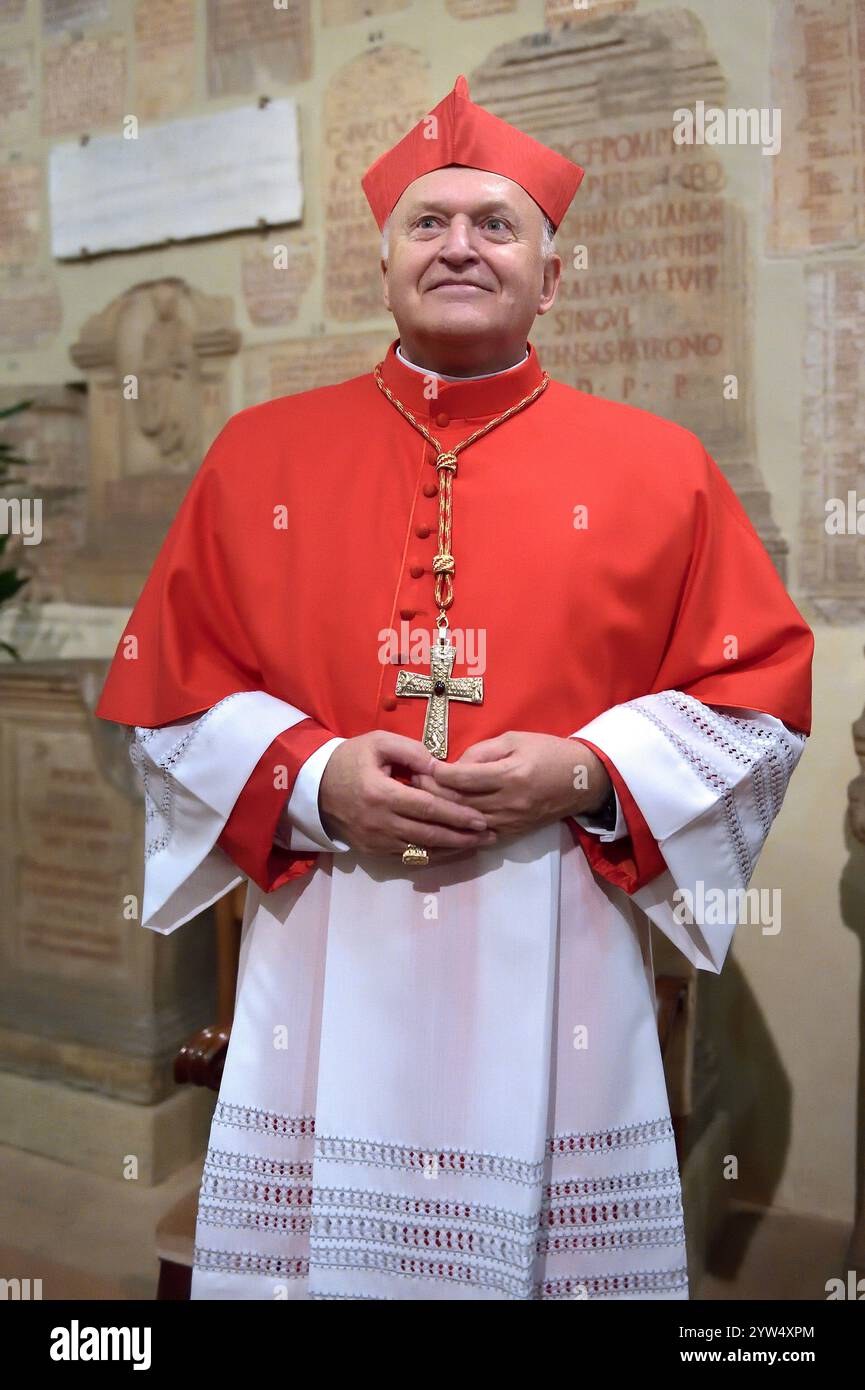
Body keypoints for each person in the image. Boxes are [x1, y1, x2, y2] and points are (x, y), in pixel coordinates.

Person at [95, 76, 813, 1301]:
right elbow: (160, 706)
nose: (460, 246)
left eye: (496, 224)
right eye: (429, 224)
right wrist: (315, 778)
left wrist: (586, 770)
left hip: (560, 946)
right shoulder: (258, 457)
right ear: (384, 266)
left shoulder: (661, 470)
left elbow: (758, 707)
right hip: (326, 941)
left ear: (552, 272)